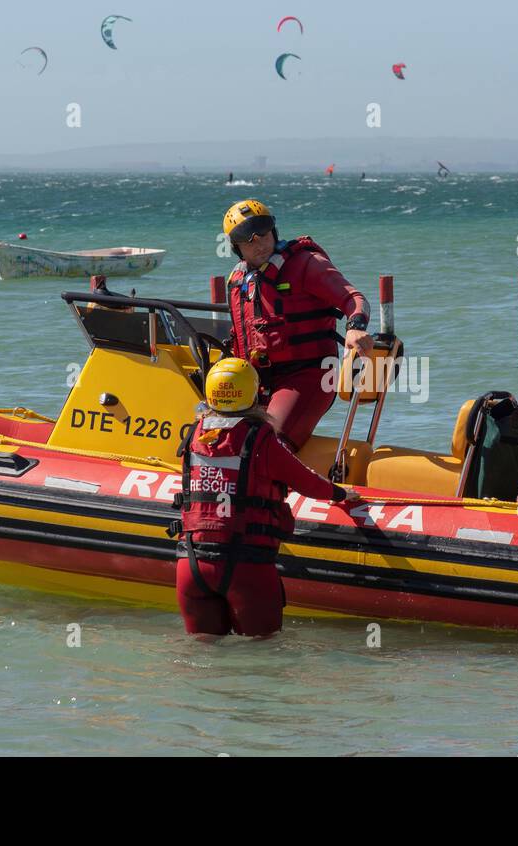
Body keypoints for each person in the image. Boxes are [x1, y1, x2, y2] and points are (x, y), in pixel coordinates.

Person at [174, 357, 357, 637]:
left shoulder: (194, 436)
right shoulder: (260, 440)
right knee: (263, 652)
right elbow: (306, 482)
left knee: (202, 653)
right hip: (246, 566)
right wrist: (340, 493)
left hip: (191, 565)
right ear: (254, 393)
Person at [221, 199, 373, 451]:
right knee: (213, 437)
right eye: (248, 240)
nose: (258, 243)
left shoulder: (306, 263)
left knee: (265, 447)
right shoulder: (238, 280)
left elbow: (355, 299)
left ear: (274, 232)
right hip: (255, 383)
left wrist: (355, 326)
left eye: (263, 234)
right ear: (236, 247)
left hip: (307, 377)